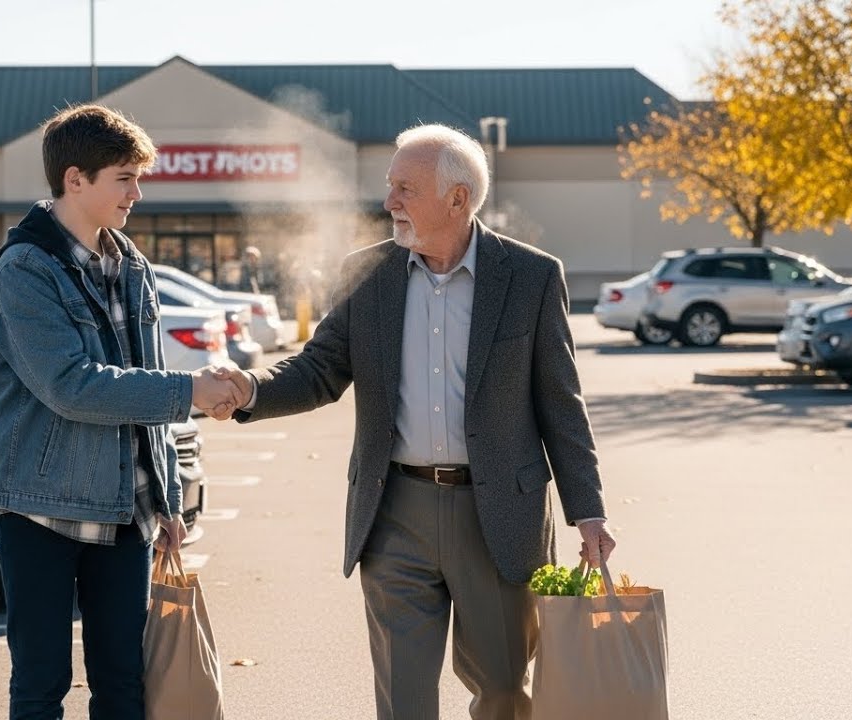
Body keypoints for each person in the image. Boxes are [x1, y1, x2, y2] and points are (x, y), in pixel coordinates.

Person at [215, 123, 616, 720]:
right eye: (389, 185)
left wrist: (588, 510)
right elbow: (321, 368)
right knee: (404, 699)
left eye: (405, 188)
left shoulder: (531, 277)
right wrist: (251, 389)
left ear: (457, 199)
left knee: (505, 689)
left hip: (498, 514)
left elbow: (561, 402)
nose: (389, 202)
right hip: (394, 510)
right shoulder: (367, 273)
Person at [0, 104, 245, 720]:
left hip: (125, 509)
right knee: (42, 684)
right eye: (123, 177)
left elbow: (141, 387)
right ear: (75, 180)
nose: (137, 191)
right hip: (38, 506)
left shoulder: (132, 266)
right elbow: (72, 386)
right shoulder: (25, 269)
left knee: (124, 683)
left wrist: (169, 501)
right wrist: (190, 390)